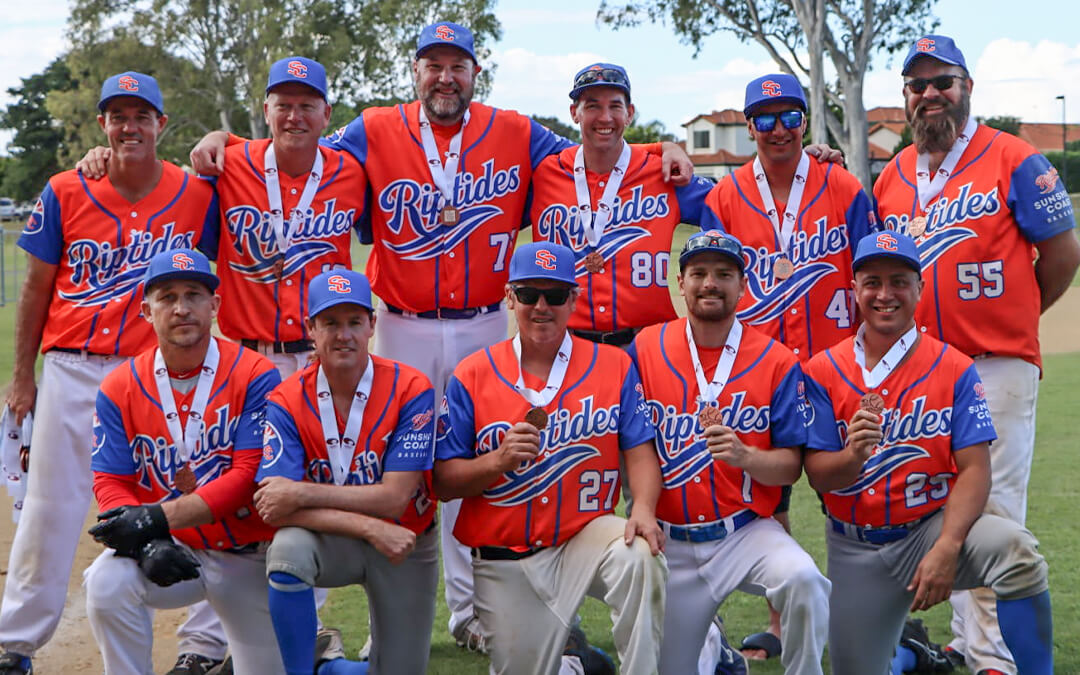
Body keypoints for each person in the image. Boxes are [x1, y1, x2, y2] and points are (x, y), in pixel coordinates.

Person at [187, 22, 693, 652]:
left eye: (458, 65)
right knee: (380, 456)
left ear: (475, 73)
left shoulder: (515, 130)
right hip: (400, 322)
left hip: (486, 318)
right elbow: (301, 141)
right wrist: (224, 138)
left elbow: (593, 148)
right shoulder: (373, 128)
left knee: (473, 457)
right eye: (434, 64)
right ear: (417, 71)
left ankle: (470, 613)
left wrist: (665, 147)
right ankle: (344, 618)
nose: (446, 76)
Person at [874, 34, 1080, 675]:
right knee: (943, 505)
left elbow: (1064, 256)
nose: (931, 94)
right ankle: (967, 640)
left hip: (994, 362)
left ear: (968, 88)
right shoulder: (894, 174)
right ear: (905, 98)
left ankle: (993, 657)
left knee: (992, 509)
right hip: (926, 368)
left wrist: (1013, 321)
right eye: (918, 85)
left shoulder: (1015, 159)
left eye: (944, 82)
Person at [0, 72, 217, 675]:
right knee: (50, 508)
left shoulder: (196, 195)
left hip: (154, 373)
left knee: (178, 499)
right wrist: (23, 377)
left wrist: (221, 136)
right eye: (117, 116)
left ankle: (203, 641)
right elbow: (36, 292)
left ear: (160, 125)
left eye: (140, 115)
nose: (129, 126)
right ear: (103, 125)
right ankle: (15, 642)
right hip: (72, 367)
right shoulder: (66, 189)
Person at [802, 230, 1053, 675]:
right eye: (872, 282)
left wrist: (947, 545)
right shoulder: (822, 370)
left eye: (899, 281)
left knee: (1017, 552)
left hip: (928, 527)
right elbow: (820, 476)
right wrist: (852, 455)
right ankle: (913, 653)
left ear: (920, 288)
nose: (885, 294)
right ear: (853, 289)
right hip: (855, 544)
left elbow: (976, 469)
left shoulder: (954, 366)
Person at [701, 72, 877, 662]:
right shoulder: (724, 199)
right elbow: (713, 284)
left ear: (805, 120)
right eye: (765, 118)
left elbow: (871, 273)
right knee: (765, 498)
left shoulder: (843, 185)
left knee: (850, 494)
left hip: (834, 369)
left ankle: (869, 621)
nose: (778, 130)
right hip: (761, 370)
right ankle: (780, 623)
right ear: (747, 126)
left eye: (790, 116)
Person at [434, 242, 667, 674]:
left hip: (584, 538)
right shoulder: (473, 373)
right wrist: (496, 462)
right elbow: (444, 482)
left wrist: (646, 510)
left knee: (639, 557)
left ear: (574, 300)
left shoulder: (614, 364)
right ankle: (580, 667)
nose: (542, 306)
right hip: (506, 556)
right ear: (509, 297)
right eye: (528, 294)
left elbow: (638, 449)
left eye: (556, 295)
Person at [631, 230, 829, 675]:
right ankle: (716, 651)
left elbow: (789, 469)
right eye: (698, 273)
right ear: (679, 283)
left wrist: (747, 458)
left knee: (804, 579)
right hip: (670, 538)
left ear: (743, 285)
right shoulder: (645, 347)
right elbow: (633, 443)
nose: (709, 284)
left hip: (743, 532)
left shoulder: (776, 359)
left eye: (724, 274)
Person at [84, 248, 284, 675]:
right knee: (106, 583)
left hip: (248, 553)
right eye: (167, 297)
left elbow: (248, 475)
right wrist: (147, 541)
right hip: (175, 549)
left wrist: (156, 520)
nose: (181, 308)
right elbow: (110, 478)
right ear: (145, 310)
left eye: (194, 294)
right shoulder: (119, 386)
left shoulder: (256, 373)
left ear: (215, 305)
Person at [254, 269, 438, 675]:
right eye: (330, 323)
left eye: (354, 322)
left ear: (372, 325)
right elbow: (273, 507)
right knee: (287, 551)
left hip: (403, 539)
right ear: (311, 330)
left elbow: (393, 498)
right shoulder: (285, 399)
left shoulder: (412, 388)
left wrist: (302, 493)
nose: (344, 335)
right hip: (338, 537)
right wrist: (370, 527)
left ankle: (329, 666)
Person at [528, 62, 719, 347]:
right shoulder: (545, 174)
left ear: (629, 113)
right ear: (574, 113)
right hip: (566, 347)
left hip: (648, 346)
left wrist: (801, 166)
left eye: (615, 106)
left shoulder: (664, 174)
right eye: (592, 106)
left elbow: (737, 201)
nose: (605, 117)